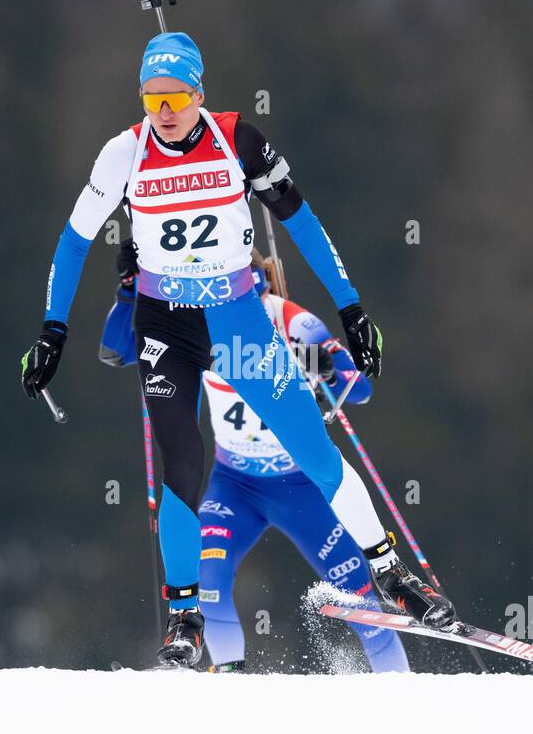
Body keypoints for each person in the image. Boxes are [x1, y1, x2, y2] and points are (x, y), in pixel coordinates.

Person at [21, 30, 454, 667]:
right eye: (150, 97)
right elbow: (72, 242)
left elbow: (301, 220)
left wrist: (352, 307)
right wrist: (52, 330)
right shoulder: (123, 153)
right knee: (182, 464)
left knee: (314, 448)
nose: (163, 110)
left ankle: (390, 573)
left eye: (174, 95)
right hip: (166, 323)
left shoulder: (238, 141)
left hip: (236, 320)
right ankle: (184, 619)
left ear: (199, 93)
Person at [99, 243, 410, 672]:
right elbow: (117, 351)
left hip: (299, 484)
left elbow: (360, 389)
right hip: (236, 485)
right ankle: (230, 680)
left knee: (356, 592)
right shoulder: (192, 316)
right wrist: (130, 291)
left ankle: (400, 686)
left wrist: (323, 366)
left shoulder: (287, 317)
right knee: (207, 577)